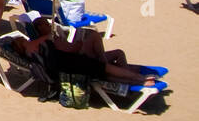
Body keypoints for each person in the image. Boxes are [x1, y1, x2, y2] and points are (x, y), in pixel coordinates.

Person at [13, 17, 160, 87]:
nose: (49, 24)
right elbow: (71, 50)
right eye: (46, 23)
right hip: (75, 63)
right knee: (105, 67)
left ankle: (137, 80)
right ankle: (140, 80)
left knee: (108, 68)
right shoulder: (43, 41)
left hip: (69, 65)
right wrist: (79, 43)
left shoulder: (31, 50)